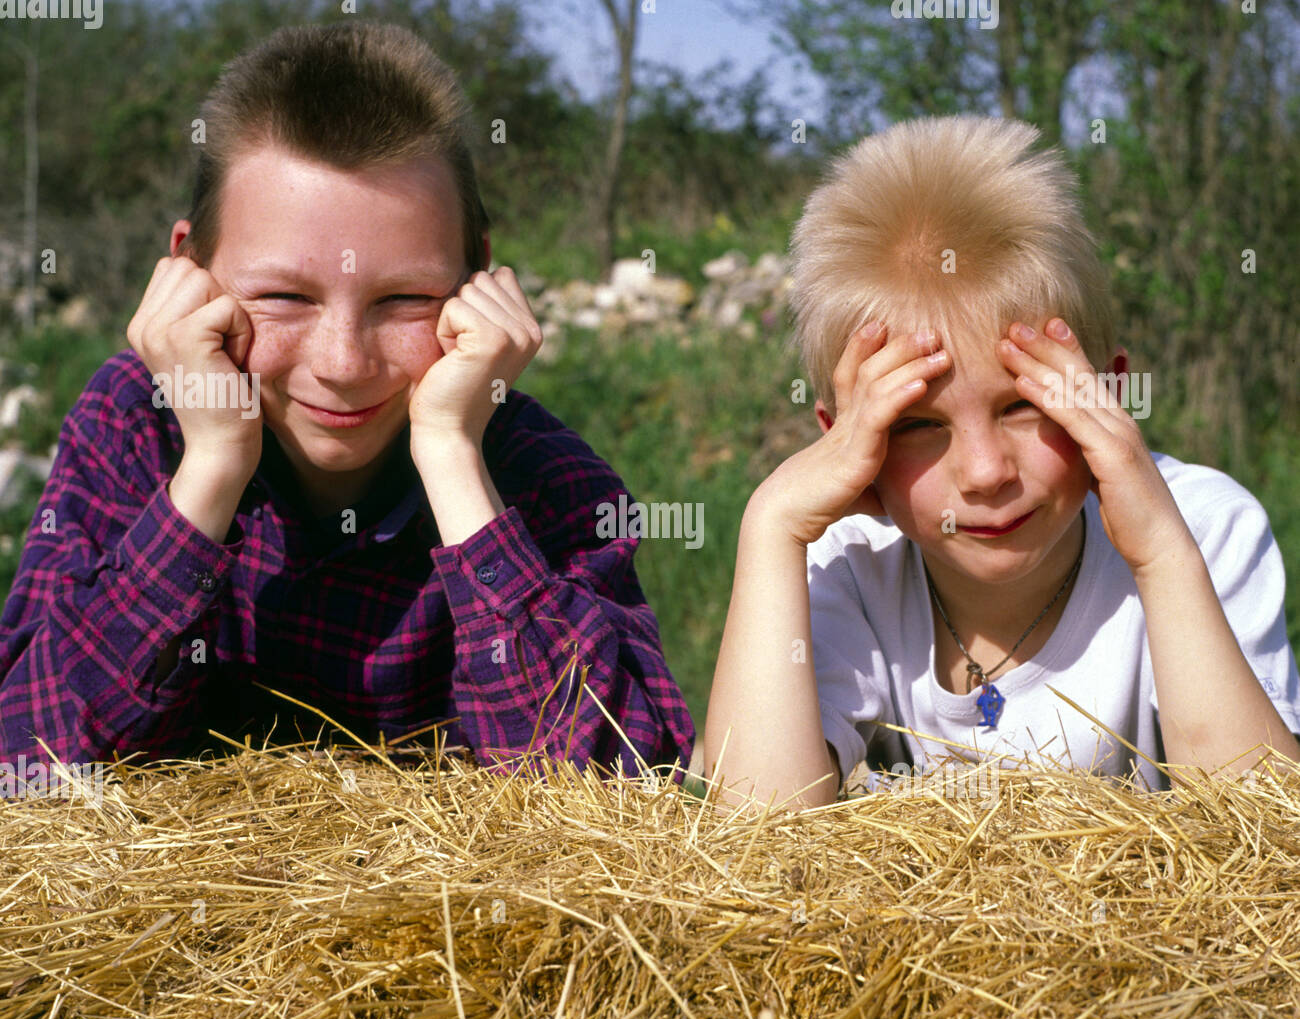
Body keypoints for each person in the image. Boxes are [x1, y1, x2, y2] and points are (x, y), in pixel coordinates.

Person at [0, 22, 693, 790]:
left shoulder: (537, 476)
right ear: (188, 272)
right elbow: (23, 760)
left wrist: (453, 460)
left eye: (403, 299)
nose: (343, 365)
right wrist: (212, 471)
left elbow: (624, 791)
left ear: (477, 278)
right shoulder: (137, 422)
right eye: (285, 296)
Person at [703, 115, 1300, 809]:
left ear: (1107, 395)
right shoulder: (847, 560)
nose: (987, 473)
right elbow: (754, 834)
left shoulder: (1201, 524)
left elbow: (1266, 829)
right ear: (848, 448)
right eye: (919, 425)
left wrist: (1164, 559)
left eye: (1023, 405)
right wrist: (771, 524)